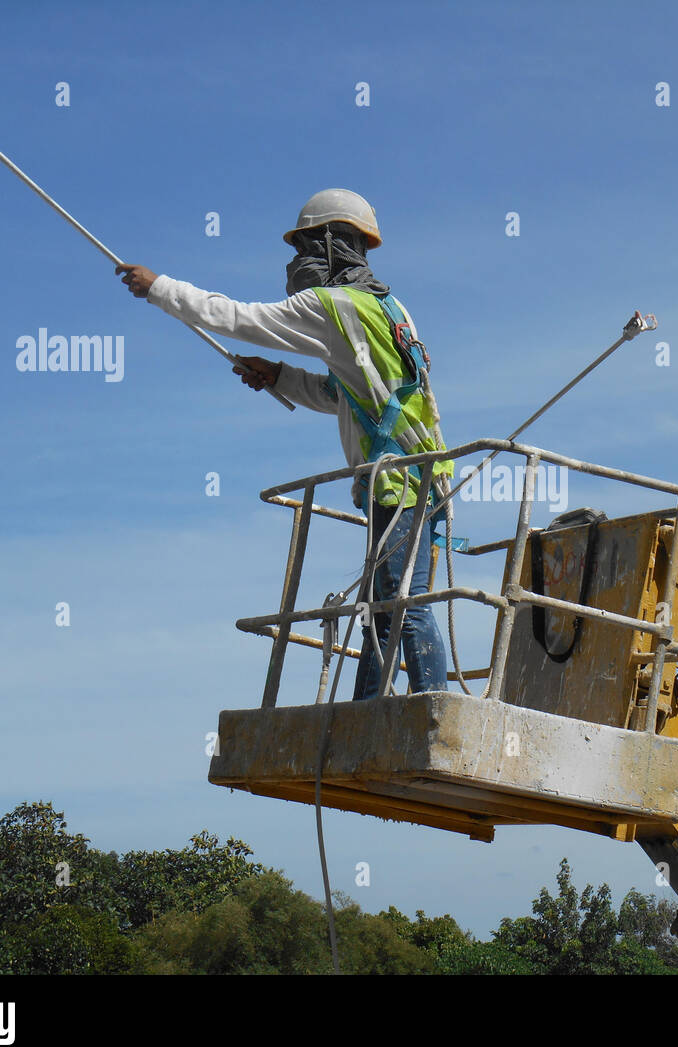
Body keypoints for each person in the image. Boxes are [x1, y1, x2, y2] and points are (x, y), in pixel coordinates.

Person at [115, 188, 451, 701]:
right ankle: (367, 714)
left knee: (402, 605)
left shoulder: (331, 305)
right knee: (384, 610)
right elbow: (346, 395)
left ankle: (432, 707)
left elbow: (237, 318)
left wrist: (159, 288)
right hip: (423, 477)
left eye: (305, 246)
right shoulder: (389, 308)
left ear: (330, 246)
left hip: (397, 480)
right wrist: (279, 377)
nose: (297, 260)